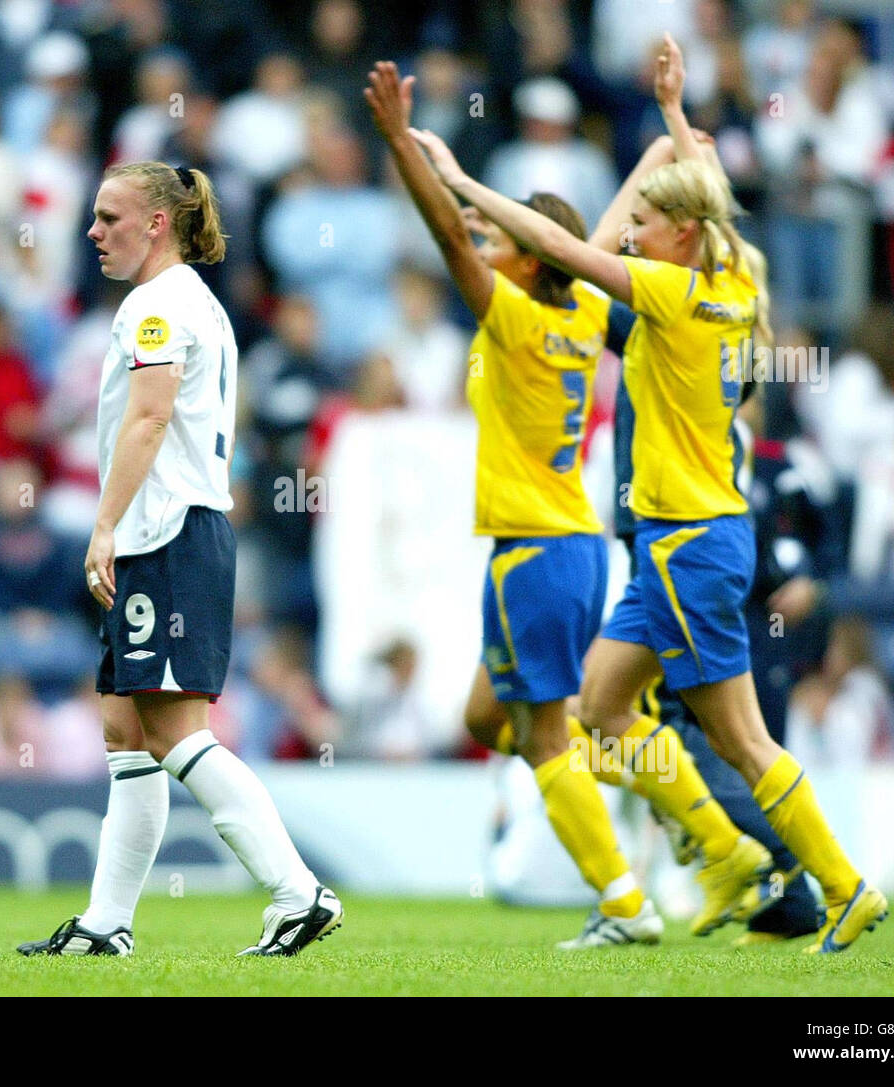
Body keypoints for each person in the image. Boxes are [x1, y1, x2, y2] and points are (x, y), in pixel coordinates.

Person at [410, 34, 887, 954]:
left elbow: (554, 242)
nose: (633, 232)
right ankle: (720, 854)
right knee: (599, 711)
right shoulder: (736, 283)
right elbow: (707, 193)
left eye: (648, 224)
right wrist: (674, 116)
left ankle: (839, 883)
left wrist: (460, 180)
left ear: (680, 235)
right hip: (669, 544)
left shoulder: (668, 294)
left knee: (745, 741)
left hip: (688, 539)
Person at [367, 59, 661, 948]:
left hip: (533, 549)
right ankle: (643, 770)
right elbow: (589, 236)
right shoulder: (576, 314)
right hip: (570, 546)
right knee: (485, 719)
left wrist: (401, 146)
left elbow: (450, 237)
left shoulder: (521, 318)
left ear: (529, 261)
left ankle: (623, 898)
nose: (482, 245)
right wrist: (651, 159)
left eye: (501, 241)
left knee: (539, 739)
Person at [18, 160, 341, 959]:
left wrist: (103, 527)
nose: (92, 232)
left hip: (164, 533)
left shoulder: (158, 309)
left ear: (156, 222)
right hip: (169, 530)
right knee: (126, 727)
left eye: (109, 217)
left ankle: (298, 891)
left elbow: (149, 419)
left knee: (171, 730)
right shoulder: (191, 302)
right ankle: (104, 923)